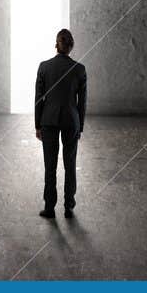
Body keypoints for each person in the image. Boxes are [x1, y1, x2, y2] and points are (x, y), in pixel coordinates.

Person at [34, 28, 87, 219]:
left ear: (57, 44)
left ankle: (49, 207)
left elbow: (39, 98)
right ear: (71, 47)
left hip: (48, 121)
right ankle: (69, 207)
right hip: (71, 121)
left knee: (50, 165)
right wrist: (80, 126)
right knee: (70, 164)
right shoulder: (80, 69)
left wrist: (37, 125)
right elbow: (82, 102)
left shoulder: (44, 67)